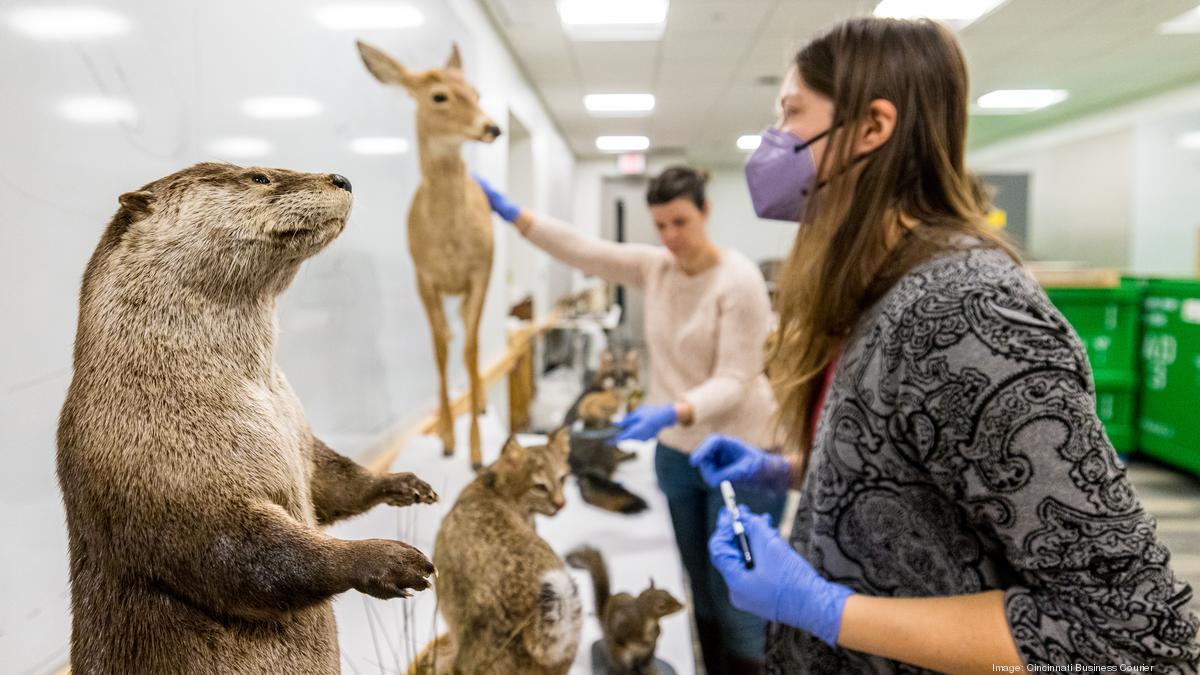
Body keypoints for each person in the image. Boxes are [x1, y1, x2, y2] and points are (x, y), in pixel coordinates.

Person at [689, 16, 1200, 675]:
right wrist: (788, 469)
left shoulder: (966, 311)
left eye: (791, 113)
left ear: (872, 127)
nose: (774, 142)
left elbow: (1130, 636)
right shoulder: (884, 284)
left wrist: (826, 609)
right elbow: (926, 470)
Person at [475, 166, 786, 673]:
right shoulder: (657, 268)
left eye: (680, 222)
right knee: (696, 586)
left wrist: (672, 409)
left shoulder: (739, 280)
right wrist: (515, 215)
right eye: (660, 225)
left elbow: (736, 378)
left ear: (706, 211)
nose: (670, 236)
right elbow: (583, 250)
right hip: (678, 451)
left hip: (742, 451)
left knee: (738, 596)